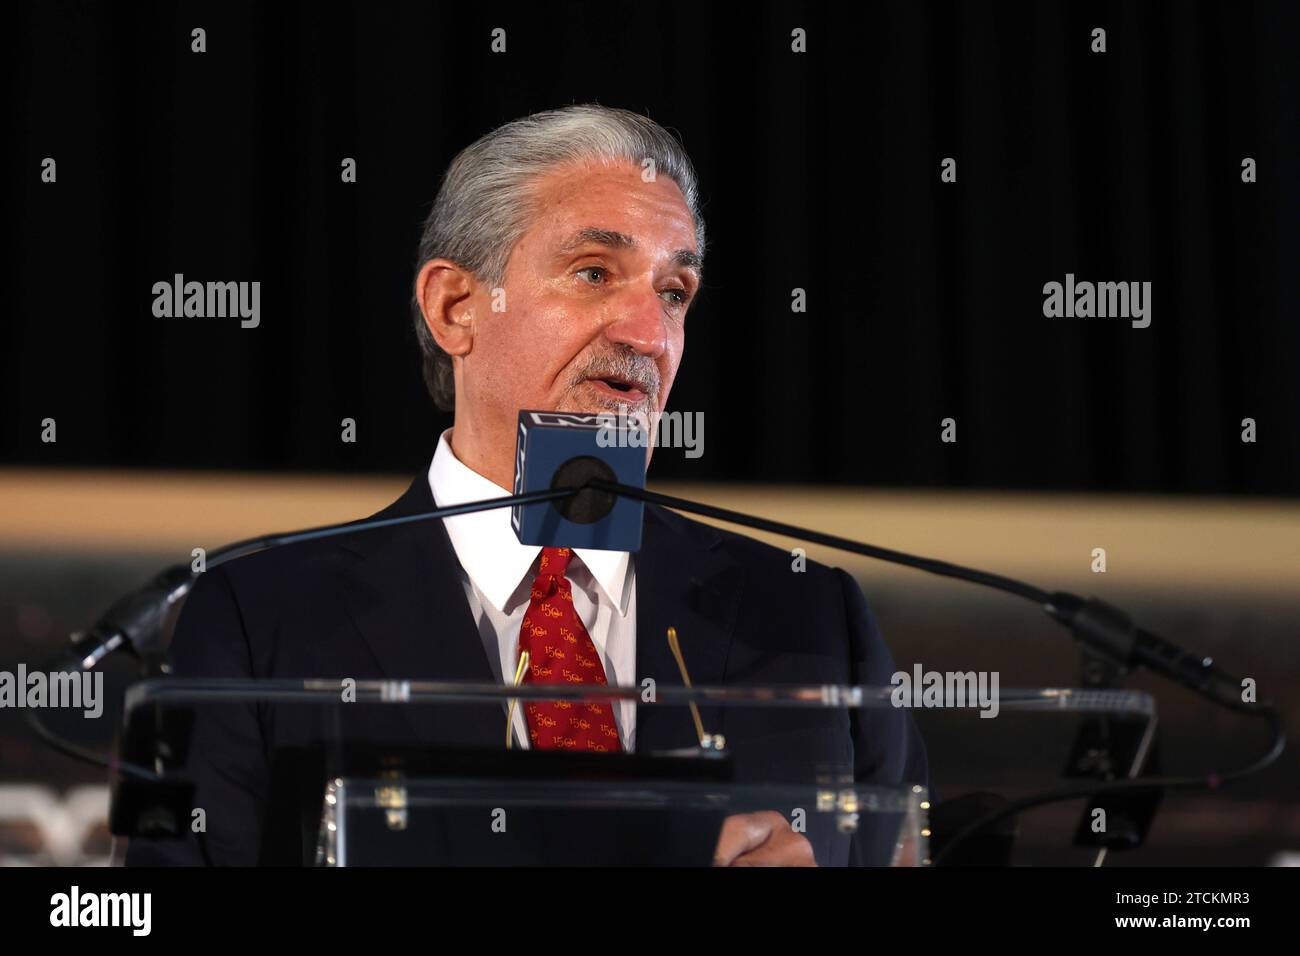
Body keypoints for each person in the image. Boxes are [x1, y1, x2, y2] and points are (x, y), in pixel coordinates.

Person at [125, 104, 927, 867]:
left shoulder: (812, 618)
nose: (649, 334)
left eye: (673, 292)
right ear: (454, 307)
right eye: (593, 273)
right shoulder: (254, 621)